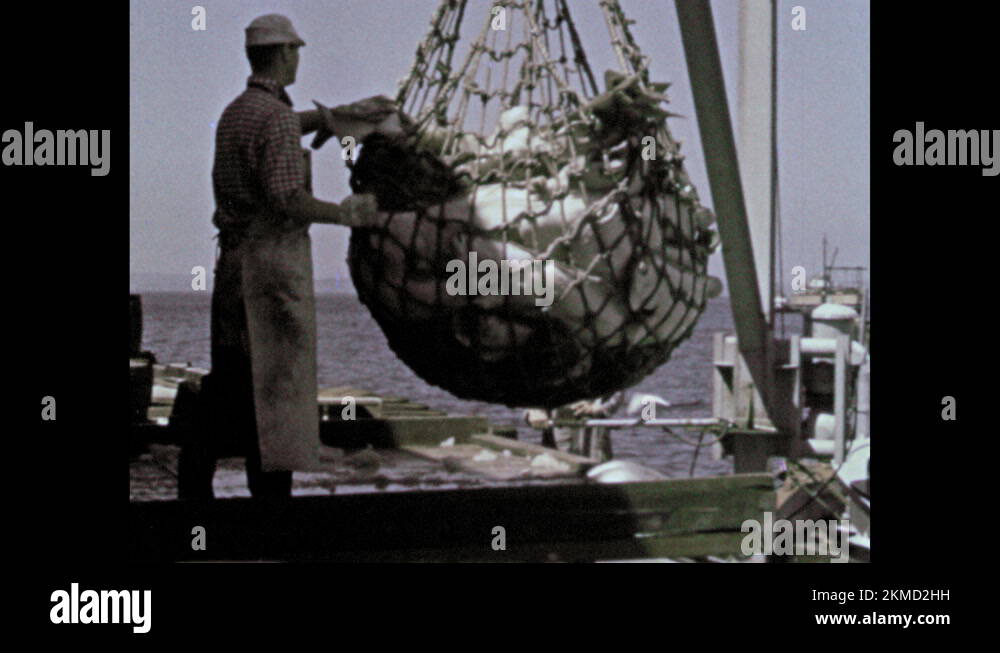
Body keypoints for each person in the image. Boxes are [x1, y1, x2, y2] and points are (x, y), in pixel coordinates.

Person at [177, 14, 384, 500]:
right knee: (276, 388)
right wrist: (345, 213)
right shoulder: (273, 120)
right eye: (296, 52)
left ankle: (197, 485)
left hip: (233, 267)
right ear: (287, 54)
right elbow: (287, 199)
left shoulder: (236, 112)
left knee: (233, 375)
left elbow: (279, 126)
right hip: (269, 272)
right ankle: (271, 505)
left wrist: (329, 117)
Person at [524, 392, 624, 462]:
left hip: (592, 424)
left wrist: (599, 407)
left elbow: (620, 382)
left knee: (595, 469)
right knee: (554, 468)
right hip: (555, 418)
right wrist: (533, 409)